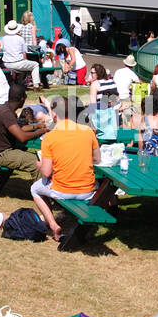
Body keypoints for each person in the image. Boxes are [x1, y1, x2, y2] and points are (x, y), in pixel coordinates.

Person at [31, 95, 101, 241]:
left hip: (62, 190)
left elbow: (46, 172)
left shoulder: (50, 137)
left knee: (35, 189)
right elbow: (97, 159)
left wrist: (40, 165)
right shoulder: (87, 131)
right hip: (87, 190)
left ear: (54, 114)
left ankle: (52, 223)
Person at [0, 83, 49, 172]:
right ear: (22, 99)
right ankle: (40, 186)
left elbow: (19, 128)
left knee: (39, 157)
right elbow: (22, 137)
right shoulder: (6, 113)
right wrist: (41, 131)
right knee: (37, 162)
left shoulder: (6, 108)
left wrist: (37, 126)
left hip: (0, 151)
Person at [0, 20, 41, 88]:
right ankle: (36, 85)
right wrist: (25, 60)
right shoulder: (20, 39)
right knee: (35, 65)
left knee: (22, 68)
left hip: (6, 63)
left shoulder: (4, 39)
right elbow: (24, 53)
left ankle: (20, 83)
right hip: (18, 63)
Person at [113, 55, 140, 119]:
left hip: (116, 94)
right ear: (133, 66)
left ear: (125, 63)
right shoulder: (132, 74)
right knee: (126, 117)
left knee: (116, 115)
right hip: (125, 96)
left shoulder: (118, 71)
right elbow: (138, 83)